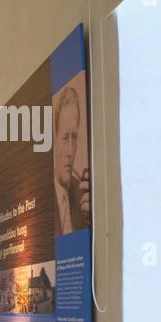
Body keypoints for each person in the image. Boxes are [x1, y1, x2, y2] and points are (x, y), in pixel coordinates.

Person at [53, 83, 90, 234]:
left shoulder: (84, 195)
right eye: (64, 138)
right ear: (54, 139)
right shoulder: (44, 198)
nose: (70, 151)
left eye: (73, 137)